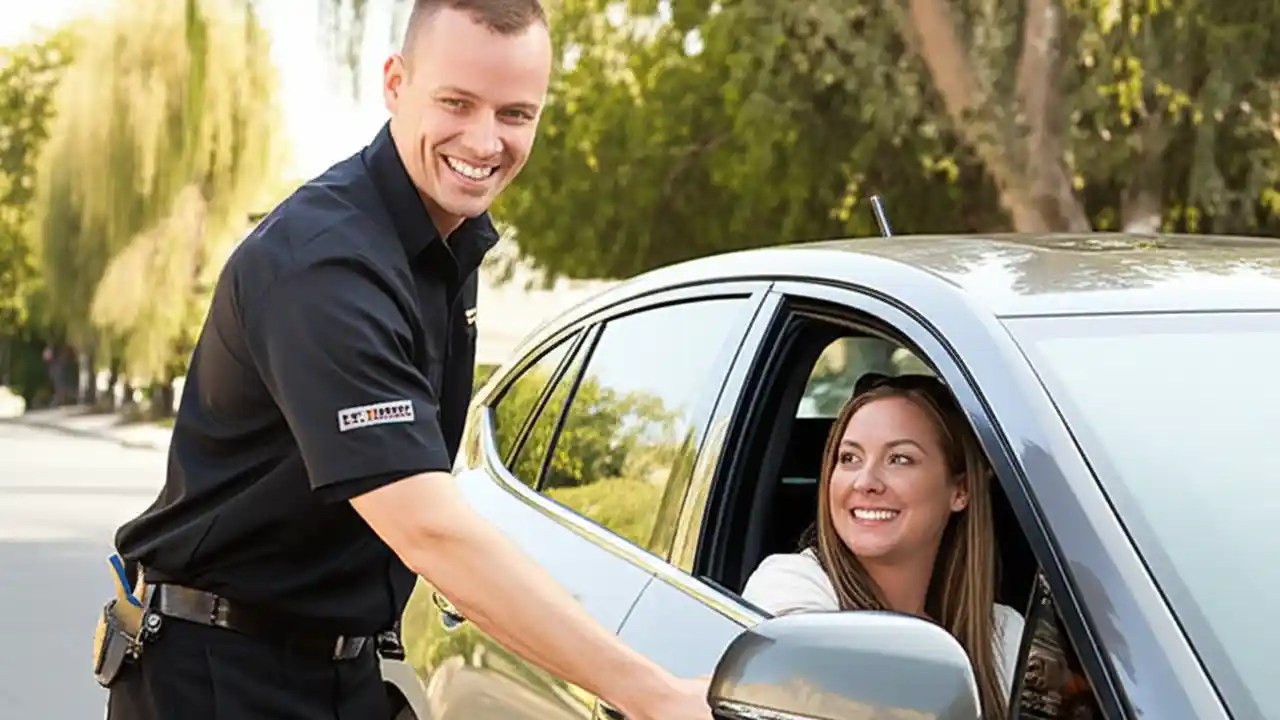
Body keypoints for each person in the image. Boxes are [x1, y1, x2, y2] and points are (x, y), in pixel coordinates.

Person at [101, 1, 711, 719]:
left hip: (341, 667)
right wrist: (653, 694)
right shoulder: (325, 268)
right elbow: (428, 529)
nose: (486, 142)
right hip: (219, 676)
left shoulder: (444, 237)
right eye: (457, 103)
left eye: (517, 114)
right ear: (395, 83)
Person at [741, 372, 1024, 720]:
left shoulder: (1002, 635)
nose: (865, 482)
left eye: (900, 459)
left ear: (960, 490)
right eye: (849, 459)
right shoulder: (791, 588)